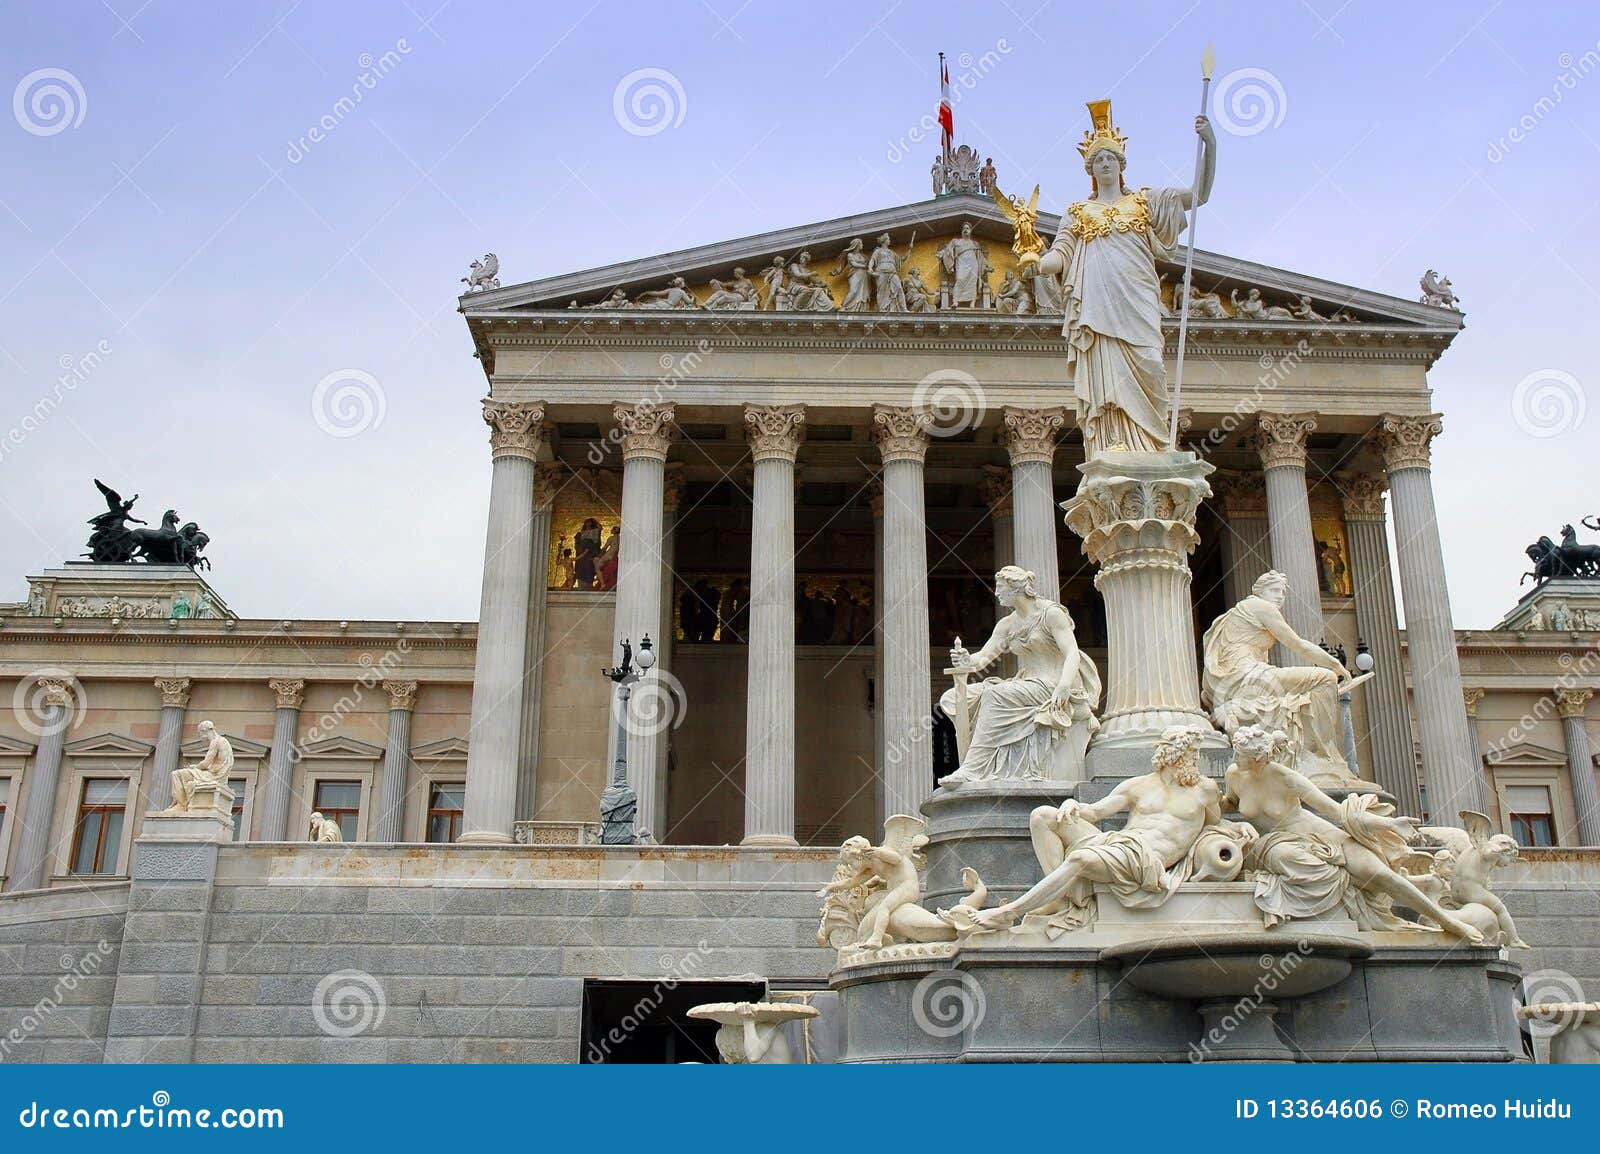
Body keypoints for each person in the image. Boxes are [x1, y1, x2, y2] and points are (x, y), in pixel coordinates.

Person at [1024, 100, 1216, 455]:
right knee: (1108, 379)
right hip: (1097, 310)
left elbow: (1200, 195)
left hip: (1139, 302)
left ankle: (1153, 448)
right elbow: (1060, 254)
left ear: (1121, 164)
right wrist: (1036, 261)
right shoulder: (1078, 213)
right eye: (1099, 159)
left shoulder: (1145, 202)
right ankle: (1114, 443)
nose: (1105, 163)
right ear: (1090, 169)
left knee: (1152, 367)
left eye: (1111, 157)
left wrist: (1210, 144)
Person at [1222, 726, 1484, 942]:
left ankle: (1448, 922)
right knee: (1292, 859)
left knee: (1381, 875)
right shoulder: (1235, 775)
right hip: (1276, 842)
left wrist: (1388, 825)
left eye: (1240, 753)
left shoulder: (1286, 777)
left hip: (1317, 833)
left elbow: (1337, 811)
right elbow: (1230, 804)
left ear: (1257, 758)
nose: (1235, 757)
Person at [964, 727, 1218, 931]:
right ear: (1172, 754)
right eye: (1192, 752)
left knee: (1080, 858)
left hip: (1145, 860)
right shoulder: (1138, 785)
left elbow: (1216, 824)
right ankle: (1059, 898)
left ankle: (1009, 913)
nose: (1197, 759)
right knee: (1043, 816)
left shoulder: (1204, 789)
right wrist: (1072, 803)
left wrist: (1239, 829)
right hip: (1120, 843)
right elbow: (1095, 812)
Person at [940, 566, 1100, 787]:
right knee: (952, 698)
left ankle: (972, 769)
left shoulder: (1051, 614)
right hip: (1026, 684)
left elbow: (1072, 652)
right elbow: (982, 659)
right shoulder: (1007, 625)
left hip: (1052, 685)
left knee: (995, 695)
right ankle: (989, 765)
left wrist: (1063, 686)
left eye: (1000, 588)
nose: (996, 593)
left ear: (1016, 588)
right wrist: (965, 659)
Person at [1202, 570, 1351, 780]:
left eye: (1282, 591)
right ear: (1259, 591)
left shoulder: (1241, 610)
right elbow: (1296, 643)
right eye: (1274, 590)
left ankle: (1311, 750)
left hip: (1235, 681)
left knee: (1298, 693)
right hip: (1247, 677)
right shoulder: (1261, 607)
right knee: (1325, 679)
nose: (1280, 595)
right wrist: (1335, 664)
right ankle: (1321, 754)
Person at [163, 720, 233, 813]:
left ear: (205, 731)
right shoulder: (222, 741)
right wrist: (195, 767)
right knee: (184, 774)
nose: (200, 736)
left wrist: (194, 767)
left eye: (200, 733)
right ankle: (181, 804)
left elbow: (205, 763)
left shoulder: (216, 742)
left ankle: (180, 805)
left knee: (177, 774)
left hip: (215, 776)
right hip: (215, 773)